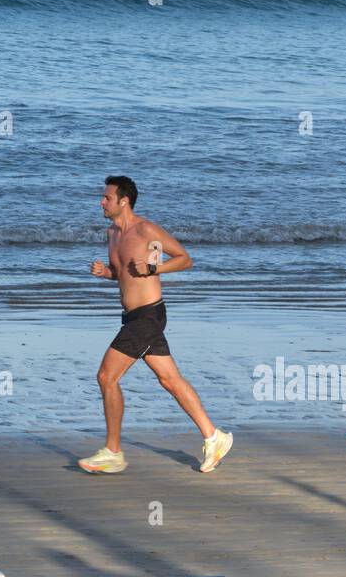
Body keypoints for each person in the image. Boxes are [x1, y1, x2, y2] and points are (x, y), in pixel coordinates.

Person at [78, 175, 233, 474]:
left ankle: (113, 452)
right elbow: (124, 273)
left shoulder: (145, 229)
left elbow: (185, 259)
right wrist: (106, 273)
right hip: (133, 317)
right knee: (170, 380)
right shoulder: (112, 233)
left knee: (106, 377)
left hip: (149, 315)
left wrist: (155, 267)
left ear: (123, 201)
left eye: (107, 197)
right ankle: (214, 437)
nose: (101, 201)